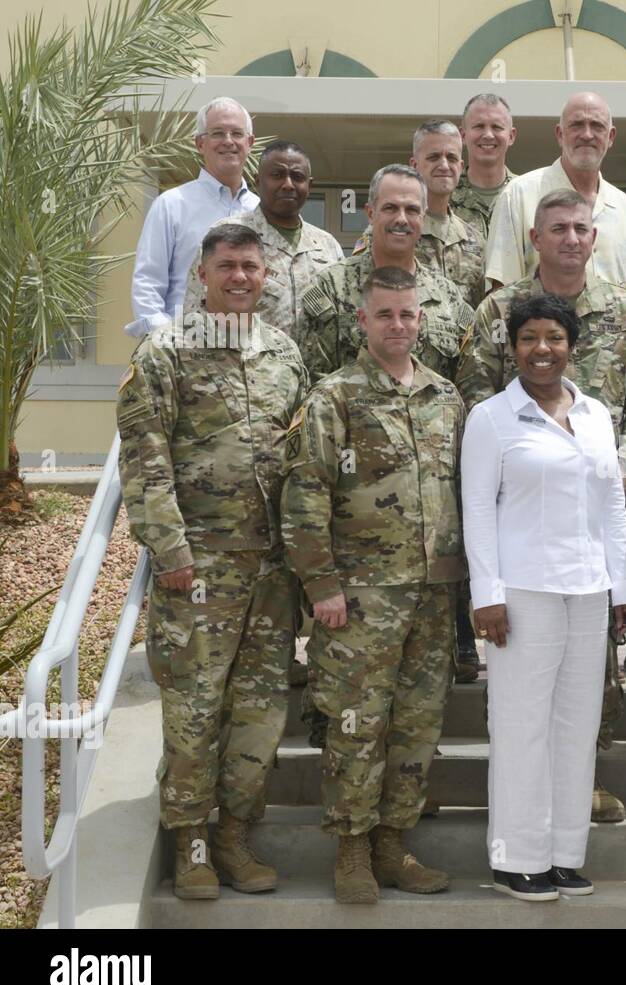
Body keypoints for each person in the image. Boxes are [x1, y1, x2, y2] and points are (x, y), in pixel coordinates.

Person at [457, 188, 626, 823]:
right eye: (557, 229)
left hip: (595, 507)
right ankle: (524, 791)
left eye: (581, 228)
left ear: (594, 239)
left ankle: (585, 774)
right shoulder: (499, 310)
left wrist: (624, 469)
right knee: (525, 660)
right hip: (521, 508)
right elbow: (474, 391)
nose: (571, 238)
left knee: (590, 655)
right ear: (535, 239)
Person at [116, 223, 308, 899]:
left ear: (265, 275)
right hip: (199, 570)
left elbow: (304, 462)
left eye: (251, 266)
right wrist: (171, 550)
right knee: (195, 710)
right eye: (227, 266)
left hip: (272, 573)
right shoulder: (167, 351)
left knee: (260, 713)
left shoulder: (285, 355)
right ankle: (192, 840)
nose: (240, 277)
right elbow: (145, 458)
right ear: (202, 275)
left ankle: (235, 833)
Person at [280, 266, 467, 904]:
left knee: (417, 723)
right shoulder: (334, 397)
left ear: (422, 319)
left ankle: (394, 843)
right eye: (384, 314)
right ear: (363, 321)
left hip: (435, 596)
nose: (397, 325)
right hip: (359, 597)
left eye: (407, 314)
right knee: (357, 722)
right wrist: (322, 584)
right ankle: (352, 848)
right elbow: (305, 494)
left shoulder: (447, 398)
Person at [462, 293, 626, 901]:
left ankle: (562, 853)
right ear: (512, 349)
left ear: (572, 347)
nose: (543, 349)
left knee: (576, 724)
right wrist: (487, 595)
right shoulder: (490, 418)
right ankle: (516, 858)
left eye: (554, 338)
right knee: (521, 725)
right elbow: (478, 510)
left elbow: (612, 503)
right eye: (530, 338)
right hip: (523, 592)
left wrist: (624, 585)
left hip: (588, 589)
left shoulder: (595, 414)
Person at [298, 163, 473, 384]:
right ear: (371, 213)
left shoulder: (448, 296)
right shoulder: (331, 288)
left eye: (411, 210)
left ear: (423, 217)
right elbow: (315, 381)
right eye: (390, 208)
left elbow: (464, 384)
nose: (401, 219)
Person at [483, 91, 626, 305]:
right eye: (576, 125)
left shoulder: (625, 208)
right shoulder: (517, 195)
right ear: (559, 134)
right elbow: (500, 298)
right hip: (539, 337)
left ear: (611, 137)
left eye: (597, 126)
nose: (587, 135)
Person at [181, 140, 343, 339]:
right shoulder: (223, 235)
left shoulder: (328, 246)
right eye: (277, 175)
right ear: (258, 182)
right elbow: (194, 310)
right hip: (246, 367)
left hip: (318, 370)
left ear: (309, 186)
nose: (288, 185)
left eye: (297, 177)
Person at [128, 98, 257, 337]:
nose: (228, 141)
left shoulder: (259, 211)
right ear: (200, 143)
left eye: (237, 133)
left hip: (248, 351)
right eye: (217, 133)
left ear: (249, 143)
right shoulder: (171, 205)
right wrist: (168, 340)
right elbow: (147, 284)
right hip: (186, 351)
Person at [354, 120, 485, 307]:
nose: (444, 165)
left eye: (452, 158)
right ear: (415, 164)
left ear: (461, 166)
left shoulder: (475, 241)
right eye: (433, 157)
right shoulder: (386, 232)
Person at [451, 93, 518, 241]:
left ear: (511, 136)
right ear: (462, 135)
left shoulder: (525, 194)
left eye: (497, 127)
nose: (488, 134)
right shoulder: (444, 197)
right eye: (479, 126)